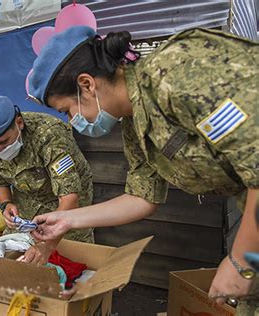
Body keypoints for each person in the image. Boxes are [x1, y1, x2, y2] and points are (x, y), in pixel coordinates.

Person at [26, 26, 258, 312]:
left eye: (67, 110)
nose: (72, 121)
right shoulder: (135, 122)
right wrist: (67, 220)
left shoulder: (178, 71)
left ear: (86, 84)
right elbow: (141, 197)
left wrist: (241, 261)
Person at [0, 95, 94, 263]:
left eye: (4, 142)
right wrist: (6, 203)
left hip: (68, 205)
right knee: (15, 257)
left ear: (19, 123)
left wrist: (46, 245)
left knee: (71, 258)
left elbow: (70, 196)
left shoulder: (50, 134)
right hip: (27, 206)